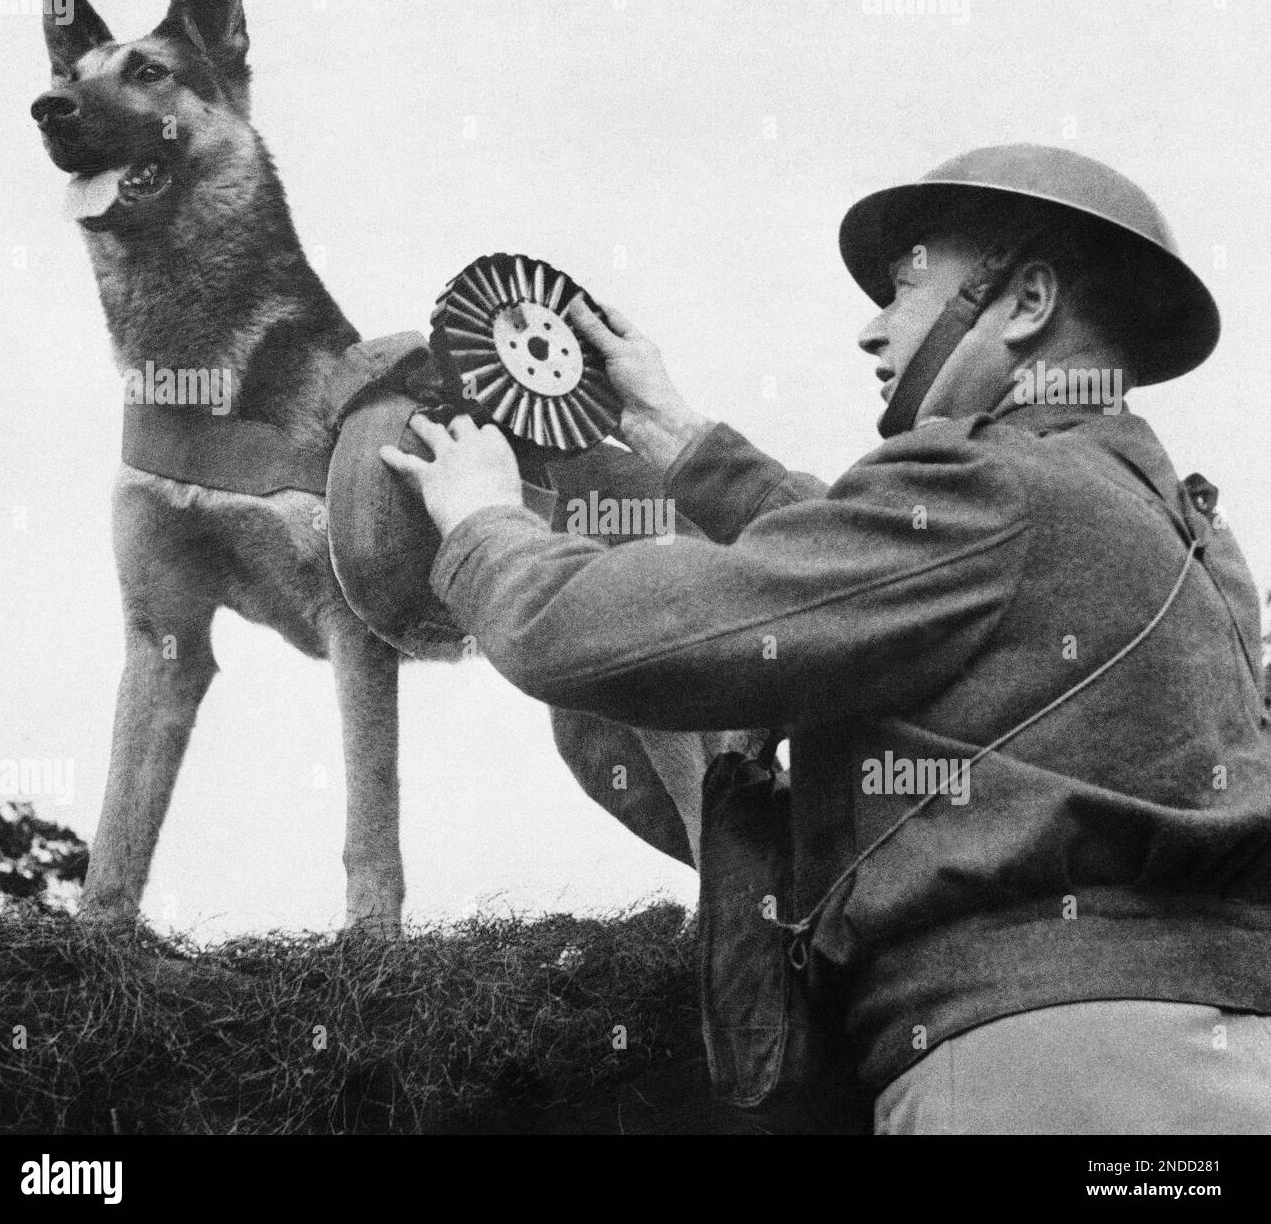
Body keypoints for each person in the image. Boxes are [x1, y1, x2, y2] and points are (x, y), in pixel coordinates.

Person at [381, 144, 1271, 1134]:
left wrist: (483, 523)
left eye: (902, 290)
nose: (870, 328)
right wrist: (677, 437)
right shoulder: (1178, 534)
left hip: (1031, 1067)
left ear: (1023, 304)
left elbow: (603, 640)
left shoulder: (993, 490)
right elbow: (889, 565)